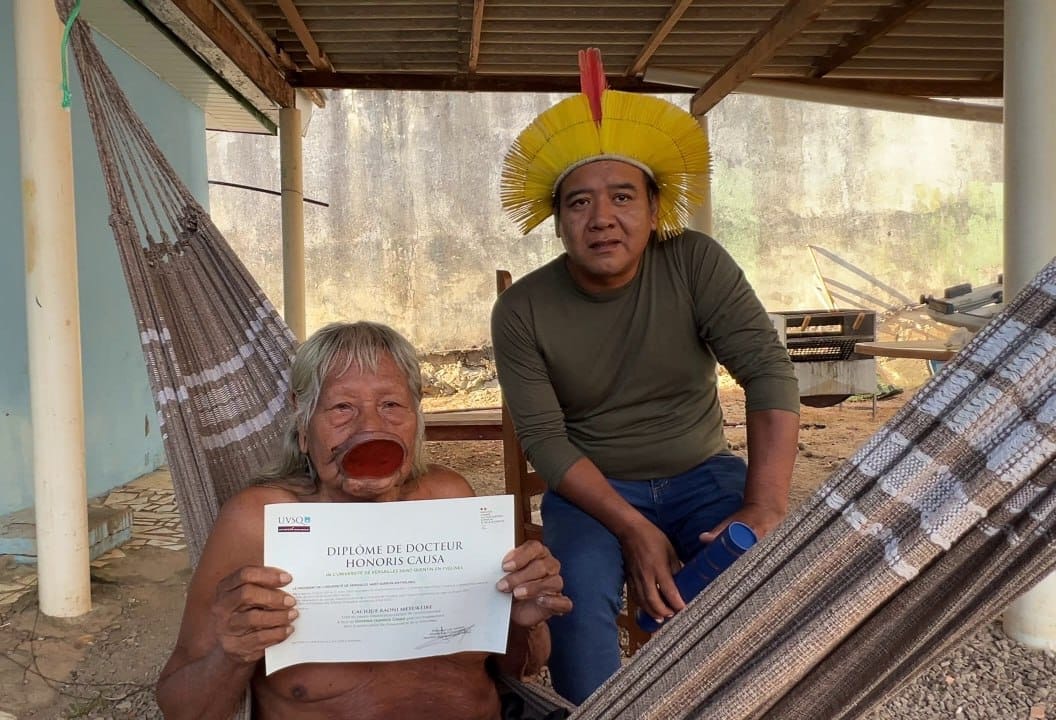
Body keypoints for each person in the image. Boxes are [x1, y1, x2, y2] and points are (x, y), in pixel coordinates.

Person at [492, 48, 800, 704]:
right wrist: (634, 529)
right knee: (575, 600)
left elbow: (768, 371)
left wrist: (767, 504)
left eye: (623, 197)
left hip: (702, 473)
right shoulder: (522, 309)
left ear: (655, 207)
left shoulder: (694, 263)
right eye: (579, 202)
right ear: (558, 220)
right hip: (591, 491)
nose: (602, 218)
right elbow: (545, 441)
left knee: (763, 583)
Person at [156, 321, 572, 720]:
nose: (370, 427)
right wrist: (229, 655)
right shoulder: (258, 521)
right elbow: (182, 710)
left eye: (391, 405)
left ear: (416, 420)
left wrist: (524, 623)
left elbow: (518, 671)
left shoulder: (448, 500)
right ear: (303, 424)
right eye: (342, 407)